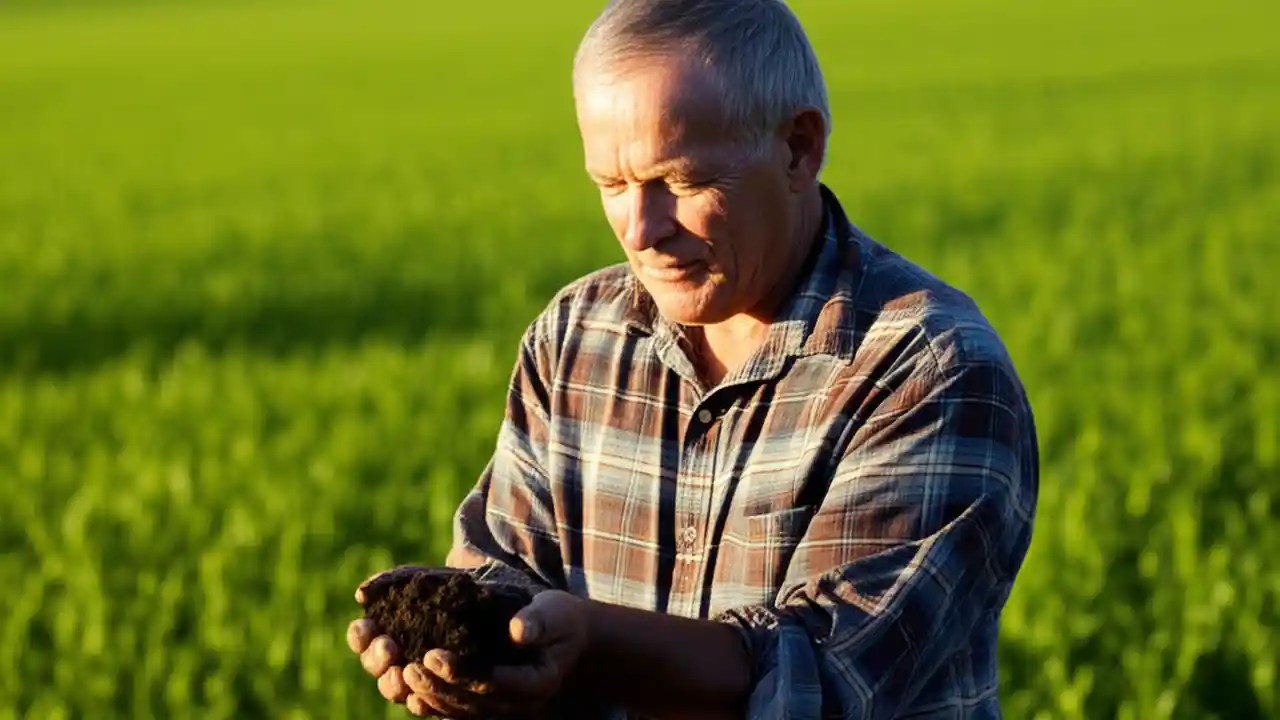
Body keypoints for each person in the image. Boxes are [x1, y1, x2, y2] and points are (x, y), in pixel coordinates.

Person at [347, 0, 1038, 717]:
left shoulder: (930, 370)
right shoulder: (574, 338)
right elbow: (508, 571)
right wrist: (470, 645)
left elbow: (821, 676)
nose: (640, 230)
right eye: (611, 186)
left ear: (799, 148)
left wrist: (589, 646)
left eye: (679, 182)